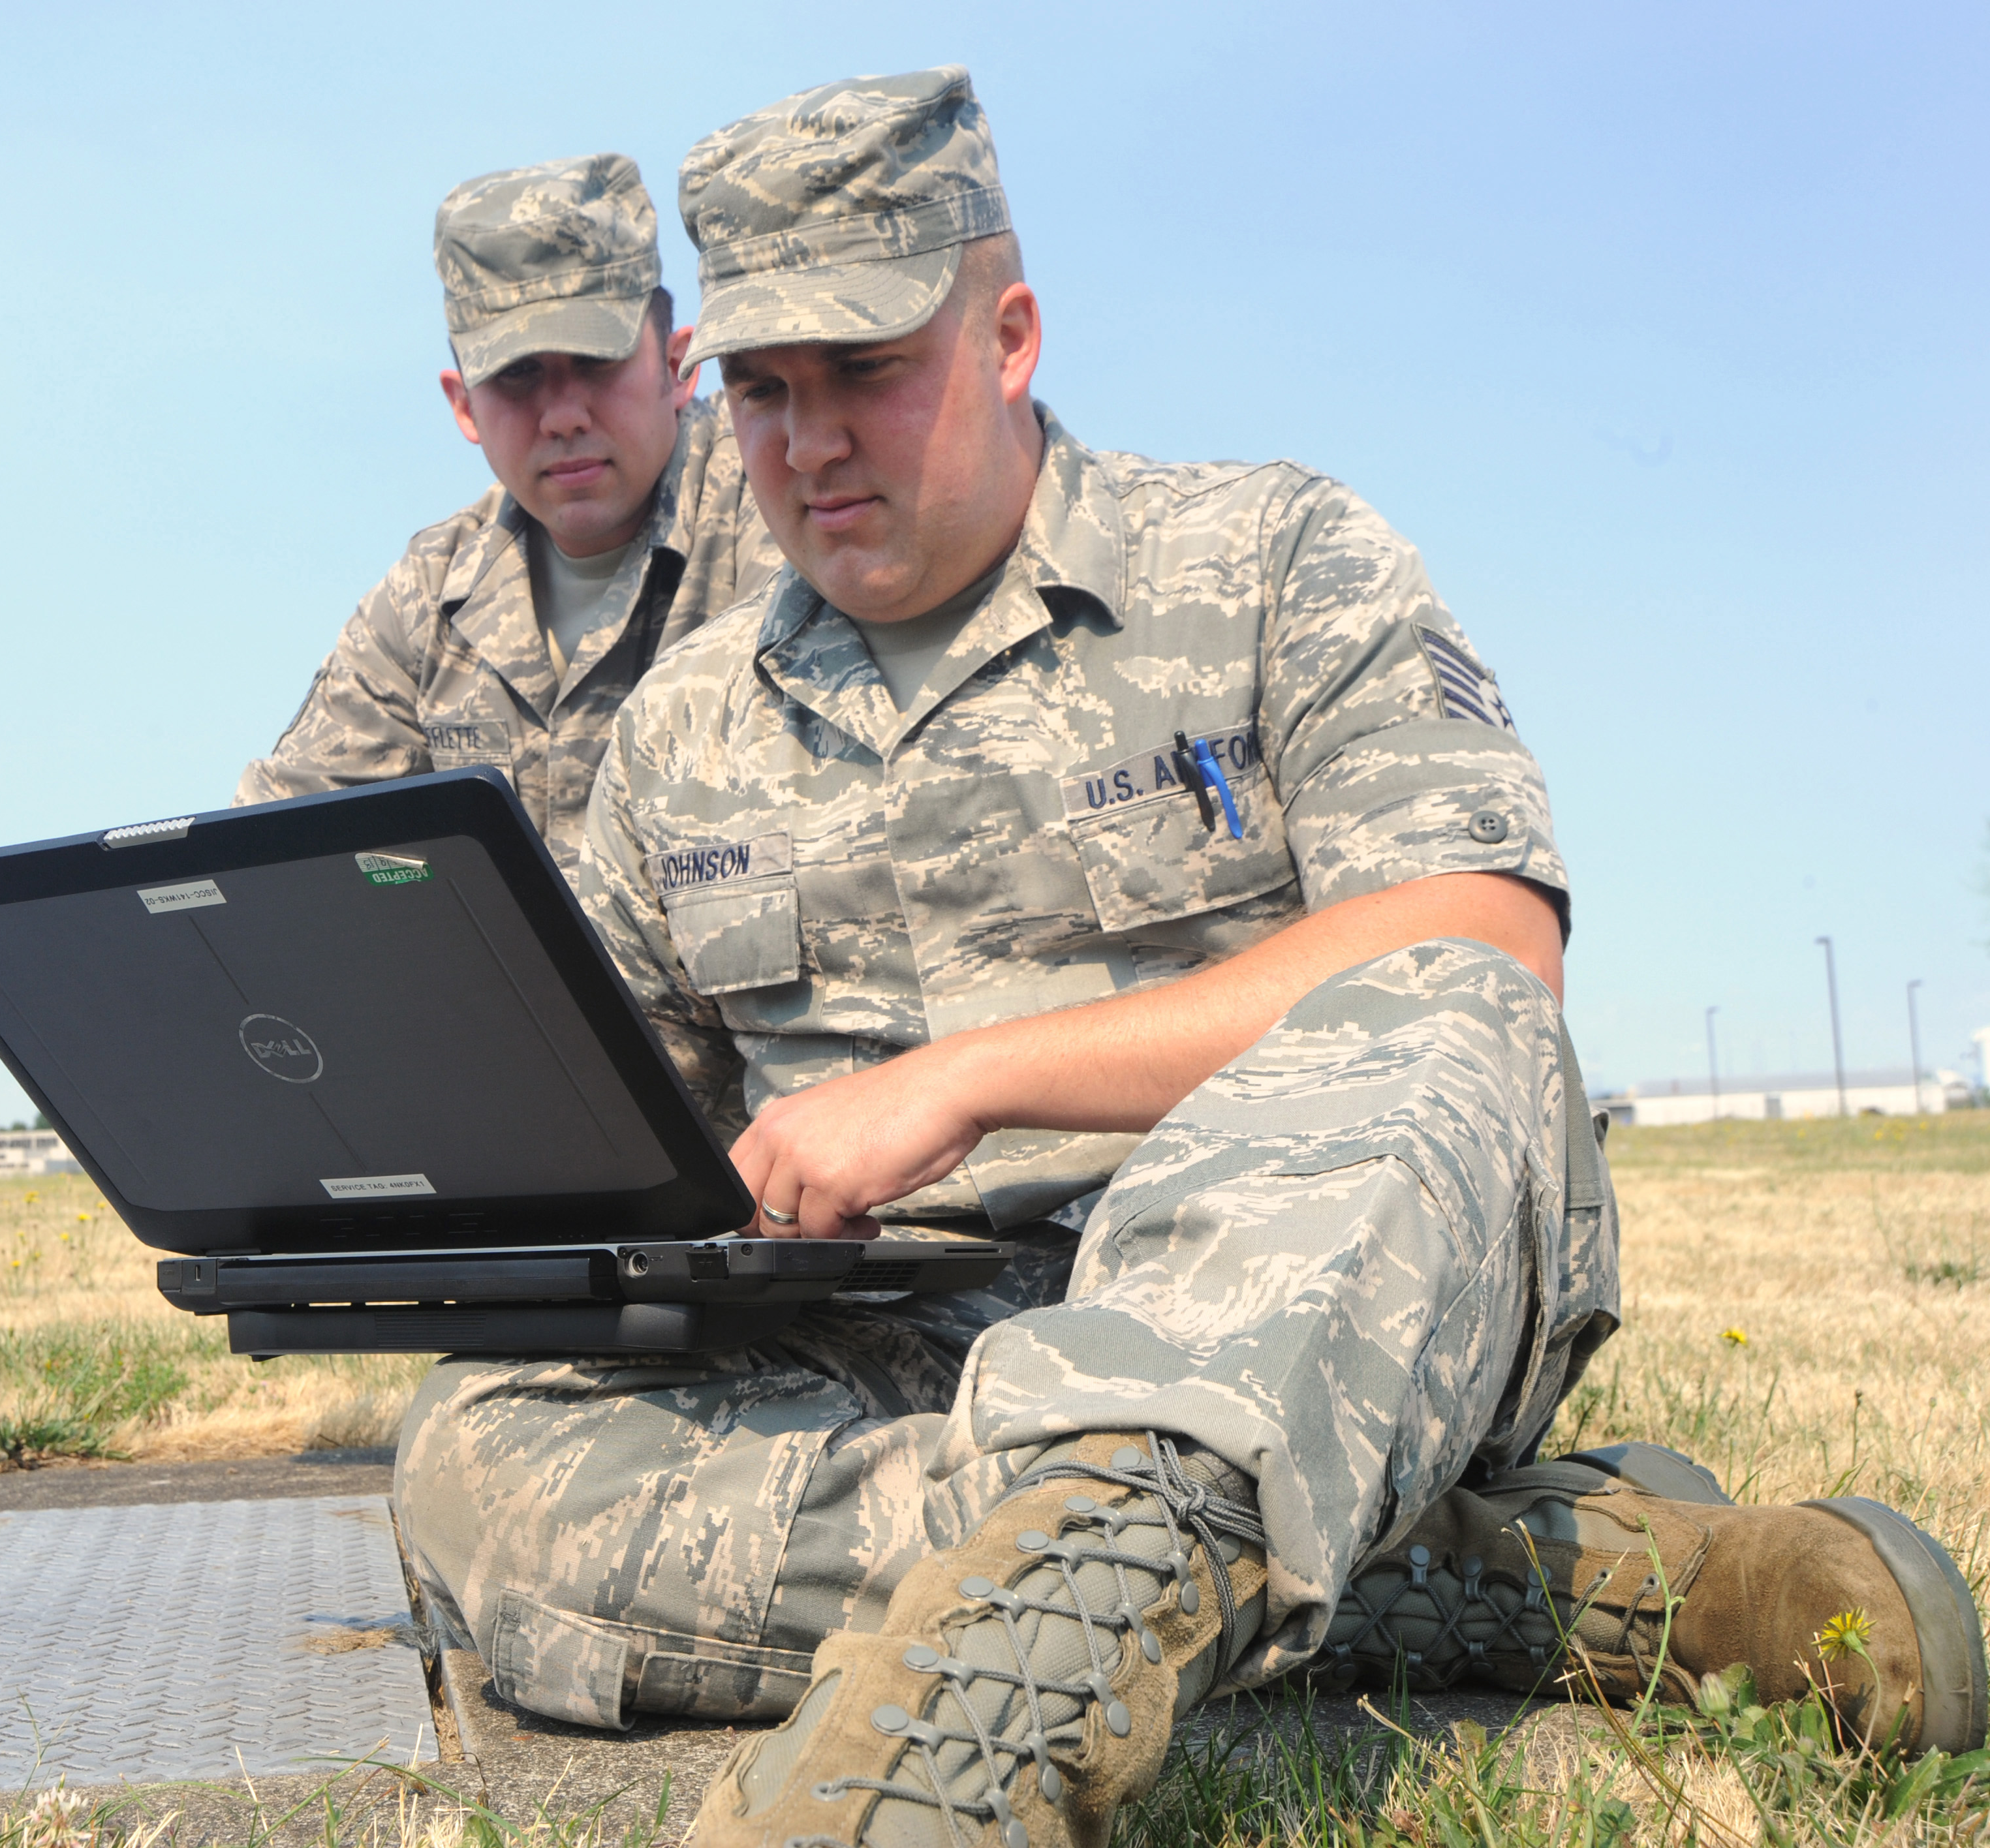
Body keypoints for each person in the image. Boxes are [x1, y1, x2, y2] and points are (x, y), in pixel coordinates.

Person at [392, 69, 1984, 1847]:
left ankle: (944, 1762)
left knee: (1442, 1020)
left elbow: (1481, 936)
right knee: (475, 1458)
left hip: (1309, 1289)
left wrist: (968, 1082)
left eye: (867, 370)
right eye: (762, 390)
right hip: (905, 1351)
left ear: (1010, 336)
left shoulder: (1272, 558)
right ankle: (1525, 1580)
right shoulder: (685, 729)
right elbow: (619, 1126)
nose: (808, 442)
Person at [234, 152, 779, 872]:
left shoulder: (783, 507)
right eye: (518, 375)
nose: (562, 416)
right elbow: (275, 855)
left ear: (680, 366)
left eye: (596, 363)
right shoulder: (431, 597)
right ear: (463, 406)